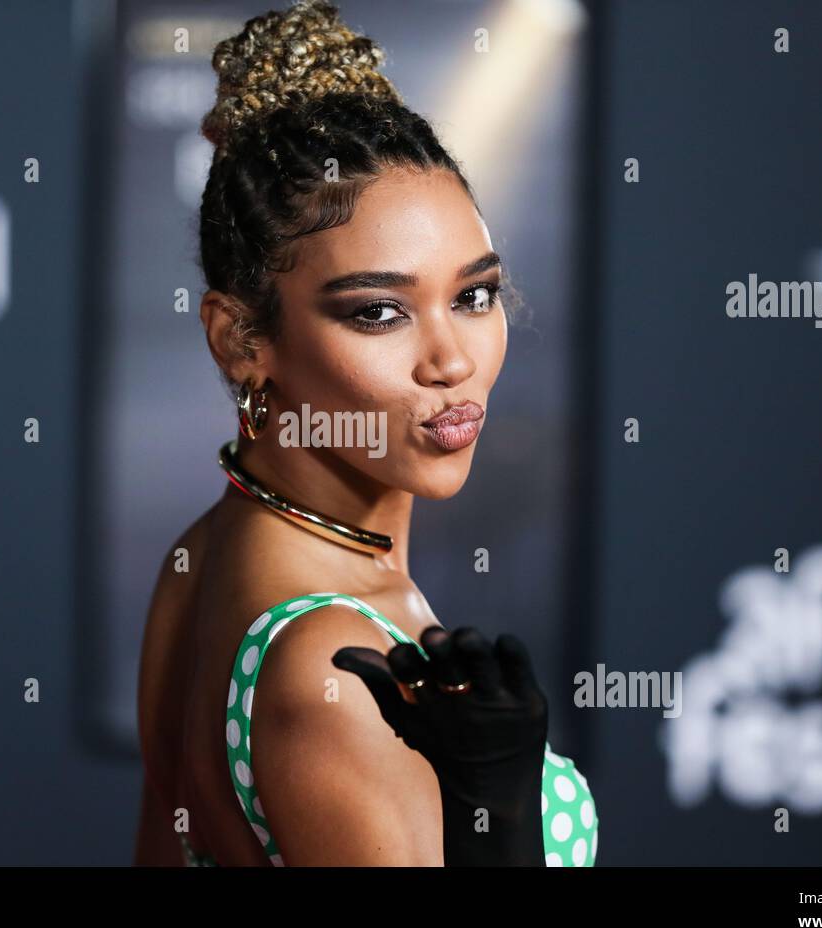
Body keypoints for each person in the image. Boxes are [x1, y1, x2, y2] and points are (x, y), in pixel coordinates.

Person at [134, 0, 598, 867]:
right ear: (243, 340)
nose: (451, 360)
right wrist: (500, 825)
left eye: (474, 296)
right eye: (379, 312)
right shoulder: (333, 670)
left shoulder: (200, 557)